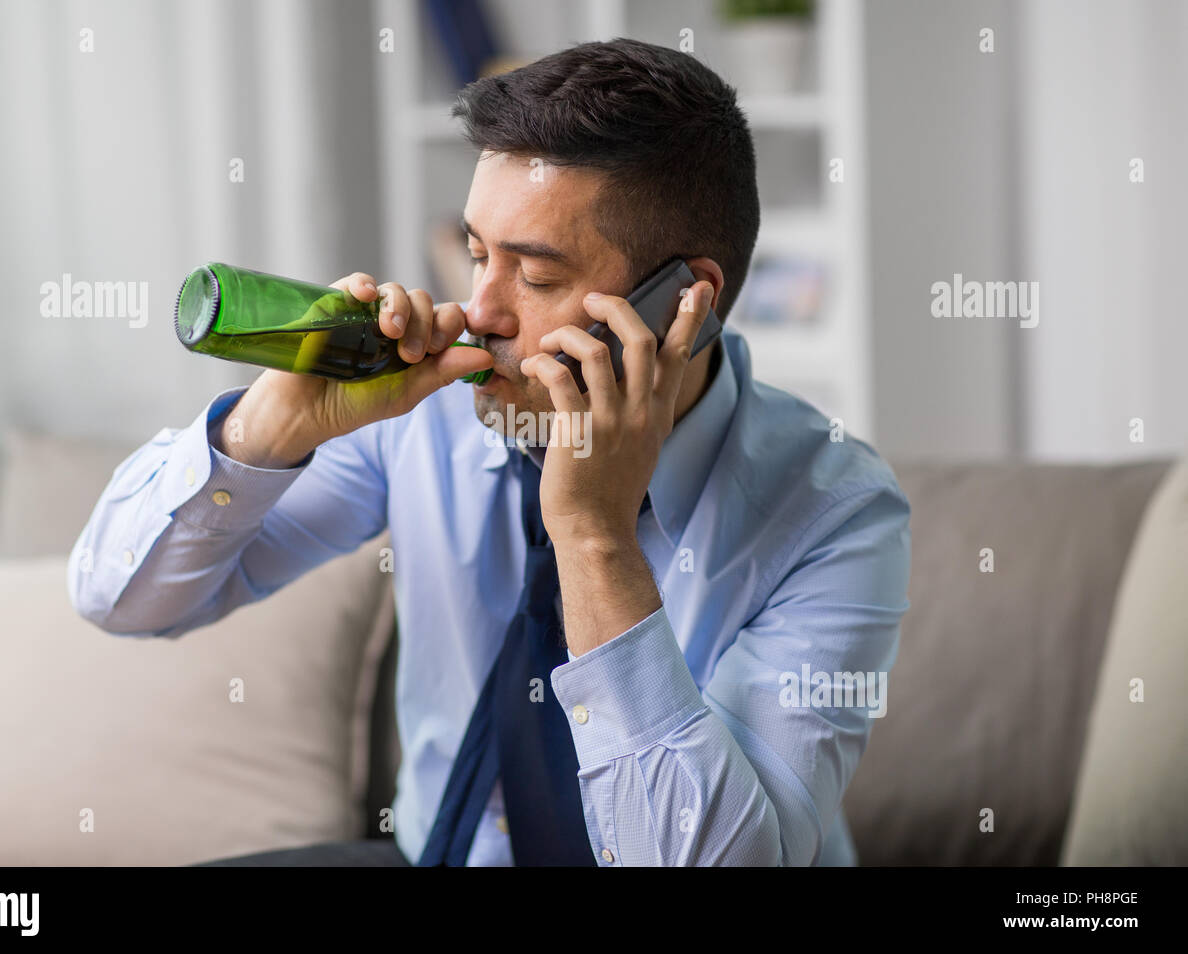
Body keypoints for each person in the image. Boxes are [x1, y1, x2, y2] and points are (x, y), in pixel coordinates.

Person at [68, 37, 910, 867]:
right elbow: (122, 601)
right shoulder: (422, 414)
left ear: (682, 304)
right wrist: (272, 428)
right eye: (475, 255)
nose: (479, 311)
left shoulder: (837, 514)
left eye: (536, 278)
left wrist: (593, 536)